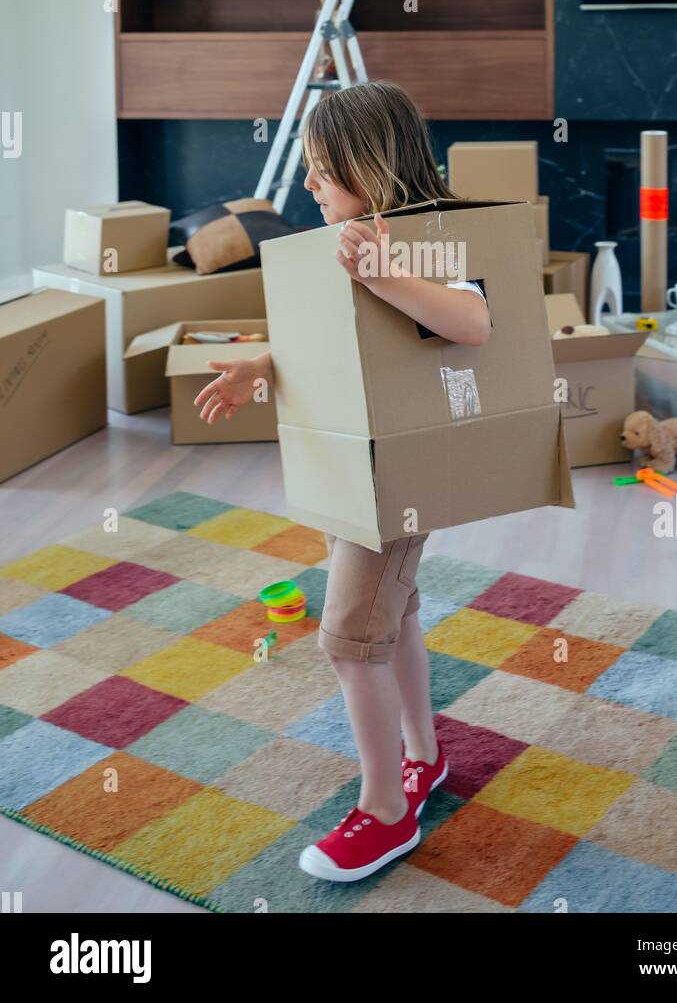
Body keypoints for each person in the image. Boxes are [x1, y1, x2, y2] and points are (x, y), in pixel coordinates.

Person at [193, 81, 491, 883]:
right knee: (395, 620)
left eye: (325, 171)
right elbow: (322, 341)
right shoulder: (340, 245)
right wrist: (260, 362)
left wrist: (385, 271)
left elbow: (472, 322)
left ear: (371, 165)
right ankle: (421, 760)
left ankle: (386, 814)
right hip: (349, 466)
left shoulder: (431, 240)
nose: (310, 187)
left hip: (399, 471)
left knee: (348, 640)